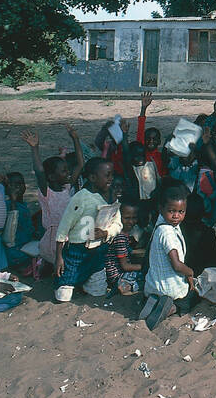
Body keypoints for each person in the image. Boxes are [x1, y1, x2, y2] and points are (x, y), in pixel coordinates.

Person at [22, 126, 84, 277]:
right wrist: (35, 148)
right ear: (51, 177)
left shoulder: (67, 187)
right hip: (53, 238)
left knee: (66, 264)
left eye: (67, 169)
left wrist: (75, 139)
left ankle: (44, 265)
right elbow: (39, 171)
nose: (68, 172)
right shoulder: (46, 193)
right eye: (63, 171)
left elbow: (80, 164)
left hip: (67, 234)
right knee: (55, 265)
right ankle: (41, 264)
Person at [52, 157, 114, 303]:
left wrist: (106, 233)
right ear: (92, 178)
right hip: (77, 251)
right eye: (107, 176)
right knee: (63, 297)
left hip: (98, 250)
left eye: (112, 175)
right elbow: (63, 228)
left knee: (97, 293)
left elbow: (117, 223)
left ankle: (83, 283)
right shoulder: (79, 198)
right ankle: (66, 282)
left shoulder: (111, 195)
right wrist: (59, 257)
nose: (110, 179)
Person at [140, 185, 200, 329]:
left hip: (153, 285)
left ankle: (153, 301)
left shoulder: (160, 224)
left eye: (181, 212)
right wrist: (190, 273)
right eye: (171, 211)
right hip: (170, 290)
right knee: (192, 297)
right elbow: (177, 265)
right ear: (161, 209)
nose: (176, 216)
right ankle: (171, 308)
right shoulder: (168, 233)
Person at [105, 202, 145, 296]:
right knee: (146, 277)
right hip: (117, 276)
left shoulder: (123, 234)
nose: (131, 222)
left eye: (134, 218)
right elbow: (125, 266)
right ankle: (125, 286)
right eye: (127, 218)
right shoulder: (120, 237)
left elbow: (130, 252)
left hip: (116, 274)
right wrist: (145, 267)